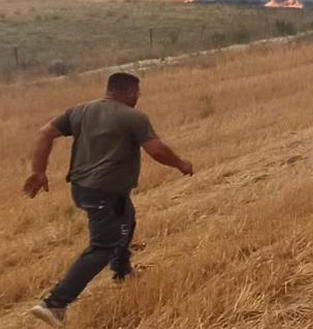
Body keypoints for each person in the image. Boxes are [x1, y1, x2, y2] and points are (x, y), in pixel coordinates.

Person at [22, 72, 193, 327]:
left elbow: (44, 133)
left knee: (128, 218)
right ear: (130, 92)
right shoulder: (132, 117)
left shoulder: (80, 111)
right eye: (137, 93)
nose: (138, 98)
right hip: (105, 193)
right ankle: (55, 303)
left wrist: (38, 170)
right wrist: (181, 163)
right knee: (102, 247)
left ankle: (122, 271)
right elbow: (156, 149)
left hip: (83, 188)